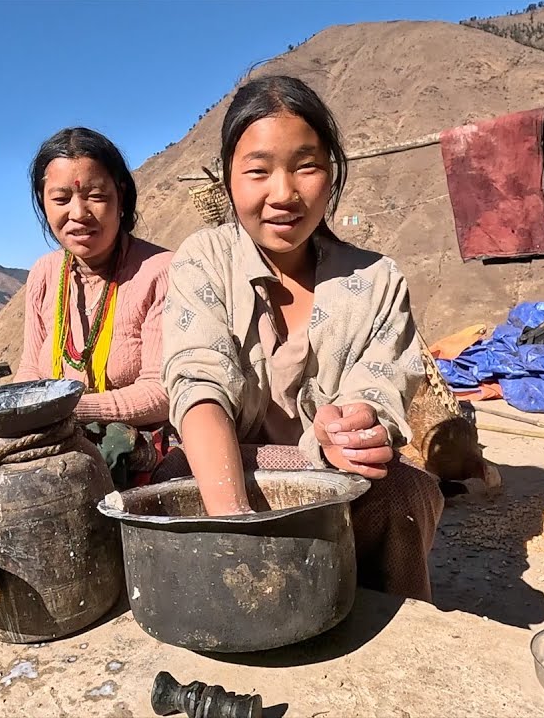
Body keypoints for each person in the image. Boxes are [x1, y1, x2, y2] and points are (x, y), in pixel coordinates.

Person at [159, 75, 445, 601]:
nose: (284, 193)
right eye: (258, 171)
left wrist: (355, 429)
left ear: (331, 172)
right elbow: (197, 380)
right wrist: (237, 531)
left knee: (402, 489)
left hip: (338, 485)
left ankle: (393, 628)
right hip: (234, 471)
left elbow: (381, 385)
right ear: (228, 179)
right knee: (174, 473)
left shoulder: (377, 279)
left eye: (306, 166)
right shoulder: (203, 260)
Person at [15, 127, 175, 485]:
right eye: (61, 199)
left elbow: (161, 393)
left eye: (96, 195)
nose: (78, 213)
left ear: (121, 197)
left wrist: (62, 409)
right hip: (54, 443)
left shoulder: (162, 272)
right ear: (43, 203)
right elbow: (30, 368)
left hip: (140, 457)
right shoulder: (44, 273)